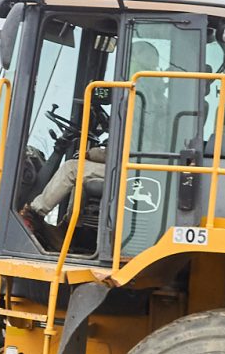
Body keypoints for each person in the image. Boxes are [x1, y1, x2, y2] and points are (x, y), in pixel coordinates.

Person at [21, 41, 166, 232]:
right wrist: (92, 154)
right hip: (142, 166)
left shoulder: (142, 100)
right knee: (81, 167)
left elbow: (128, 151)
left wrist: (94, 154)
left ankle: (33, 215)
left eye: (132, 63)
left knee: (72, 169)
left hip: (138, 172)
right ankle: (68, 229)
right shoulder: (152, 99)